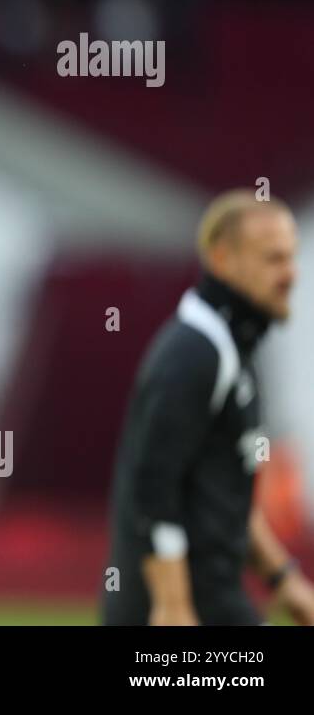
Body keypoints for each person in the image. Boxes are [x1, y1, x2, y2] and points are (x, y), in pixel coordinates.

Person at [102, 190, 314, 625]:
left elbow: (229, 492)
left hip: (218, 596)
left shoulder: (236, 346)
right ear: (221, 259)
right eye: (272, 259)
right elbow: (152, 487)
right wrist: (173, 604)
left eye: (290, 258)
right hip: (175, 606)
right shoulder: (194, 353)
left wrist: (283, 579)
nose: (290, 274)